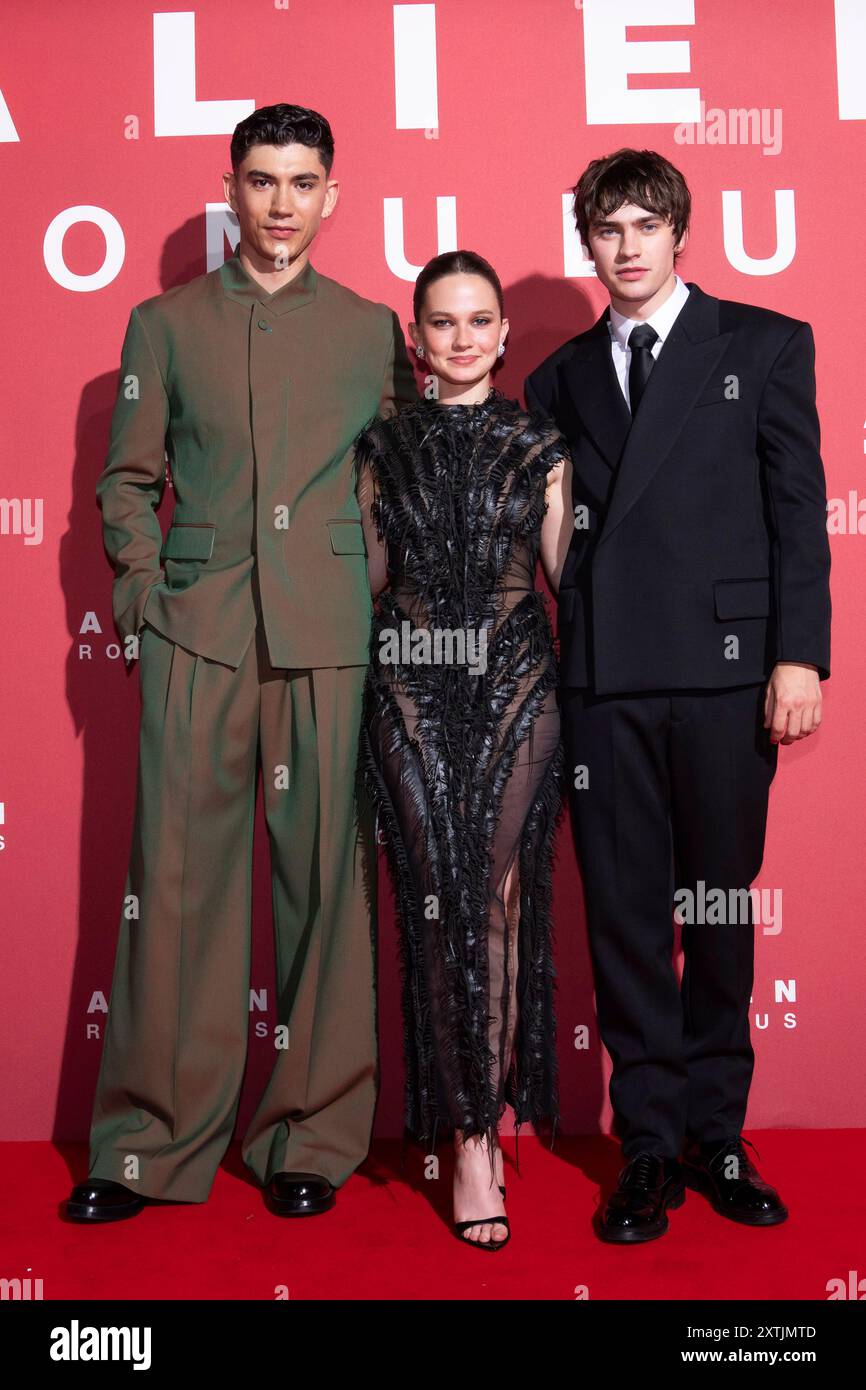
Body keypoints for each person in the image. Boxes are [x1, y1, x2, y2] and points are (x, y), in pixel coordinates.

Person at [66, 103, 418, 1223]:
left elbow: (397, 482)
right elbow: (126, 482)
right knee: (172, 890)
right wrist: (140, 596)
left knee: (326, 889)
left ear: (331, 195)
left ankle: (308, 1134)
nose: (279, 203)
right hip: (199, 632)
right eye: (260, 180)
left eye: (301, 181)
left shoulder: (370, 330)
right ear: (230, 189)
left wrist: (376, 598)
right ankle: (146, 1146)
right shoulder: (161, 322)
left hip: (326, 637)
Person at [525, 148, 831, 1243]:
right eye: (605, 229)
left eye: (644, 225)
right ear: (587, 242)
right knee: (623, 916)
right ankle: (647, 1143)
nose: (625, 245)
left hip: (724, 672)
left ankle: (718, 1132)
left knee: (715, 908)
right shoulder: (553, 377)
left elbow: (798, 511)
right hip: (604, 676)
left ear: (678, 232)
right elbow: (554, 538)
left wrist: (797, 656)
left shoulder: (760, 343)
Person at [354, 251, 574, 1250]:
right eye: (440, 322)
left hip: (517, 690)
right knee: (435, 905)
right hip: (406, 693)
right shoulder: (378, 450)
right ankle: (461, 1126)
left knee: (493, 903)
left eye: (477, 318)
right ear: (417, 335)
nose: (461, 336)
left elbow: (569, 587)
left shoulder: (540, 446)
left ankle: (482, 1132)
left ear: (500, 331)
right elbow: (366, 588)